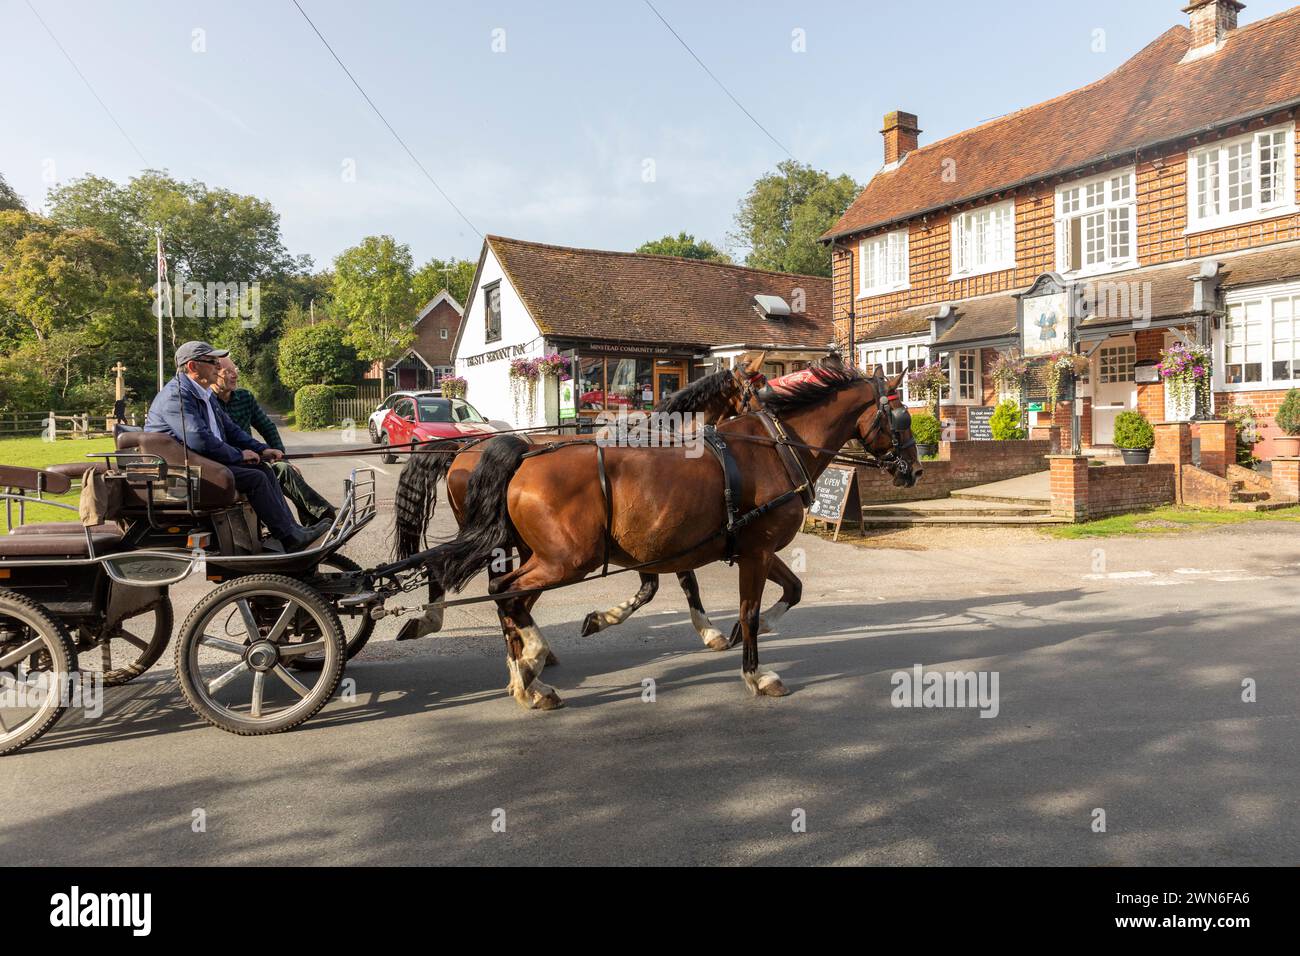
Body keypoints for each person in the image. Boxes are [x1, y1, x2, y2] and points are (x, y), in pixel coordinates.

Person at [145, 341, 331, 553]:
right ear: (192, 367)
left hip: (202, 465)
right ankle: (289, 536)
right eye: (212, 361)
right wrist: (239, 455)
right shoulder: (176, 396)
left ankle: (292, 532)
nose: (217, 366)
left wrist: (261, 449)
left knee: (263, 470)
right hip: (183, 473)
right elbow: (199, 439)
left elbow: (231, 429)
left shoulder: (204, 393)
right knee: (256, 478)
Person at [211, 355, 336, 526]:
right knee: (276, 473)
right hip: (229, 463)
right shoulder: (208, 403)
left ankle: (320, 519)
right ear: (213, 373)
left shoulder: (245, 397)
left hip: (252, 460)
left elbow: (267, 427)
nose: (235, 375)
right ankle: (309, 523)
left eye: (236, 371)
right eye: (228, 372)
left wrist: (281, 456)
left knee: (286, 469)